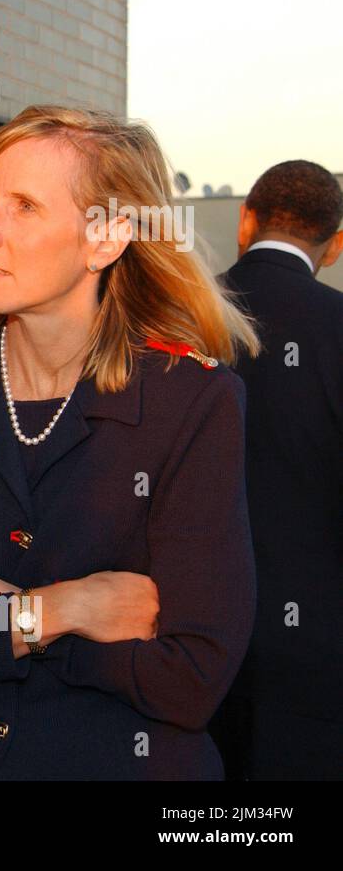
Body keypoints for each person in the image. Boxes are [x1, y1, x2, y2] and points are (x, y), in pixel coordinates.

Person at [0, 105, 259, 779]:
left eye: (25, 206)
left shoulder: (190, 403)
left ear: (105, 239)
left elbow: (191, 674)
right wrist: (67, 608)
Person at [208, 161, 343, 780]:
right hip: (314, 654)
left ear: (245, 220)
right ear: (335, 246)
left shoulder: (174, 315)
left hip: (180, 637)